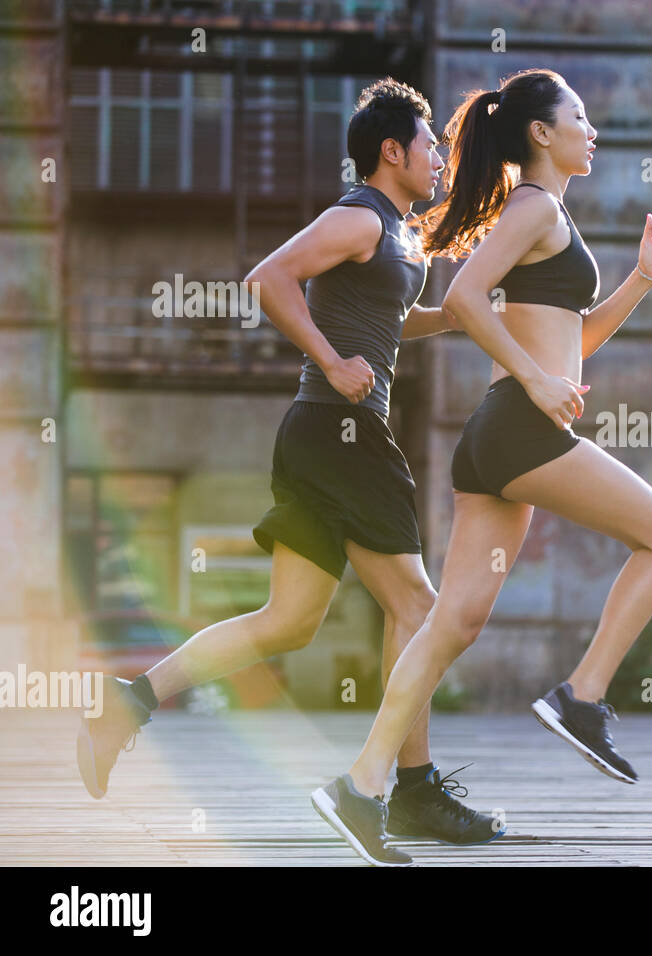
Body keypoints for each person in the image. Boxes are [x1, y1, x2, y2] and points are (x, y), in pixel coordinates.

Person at [77, 78, 501, 852]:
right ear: (391, 151)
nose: (440, 154)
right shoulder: (357, 216)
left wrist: (465, 319)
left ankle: (130, 700)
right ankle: (406, 790)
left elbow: (384, 325)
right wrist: (335, 362)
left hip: (320, 434)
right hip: (342, 428)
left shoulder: (398, 235)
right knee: (418, 607)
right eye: (431, 141)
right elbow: (268, 279)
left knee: (289, 622)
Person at [309, 68, 652, 865]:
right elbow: (465, 299)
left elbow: (574, 341)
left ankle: (362, 783)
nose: (594, 129)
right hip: (520, 428)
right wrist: (535, 378)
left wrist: (643, 279)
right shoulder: (538, 208)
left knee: (453, 621)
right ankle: (583, 697)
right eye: (580, 117)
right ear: (541, 134)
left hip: (496, 436)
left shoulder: (542, 216)